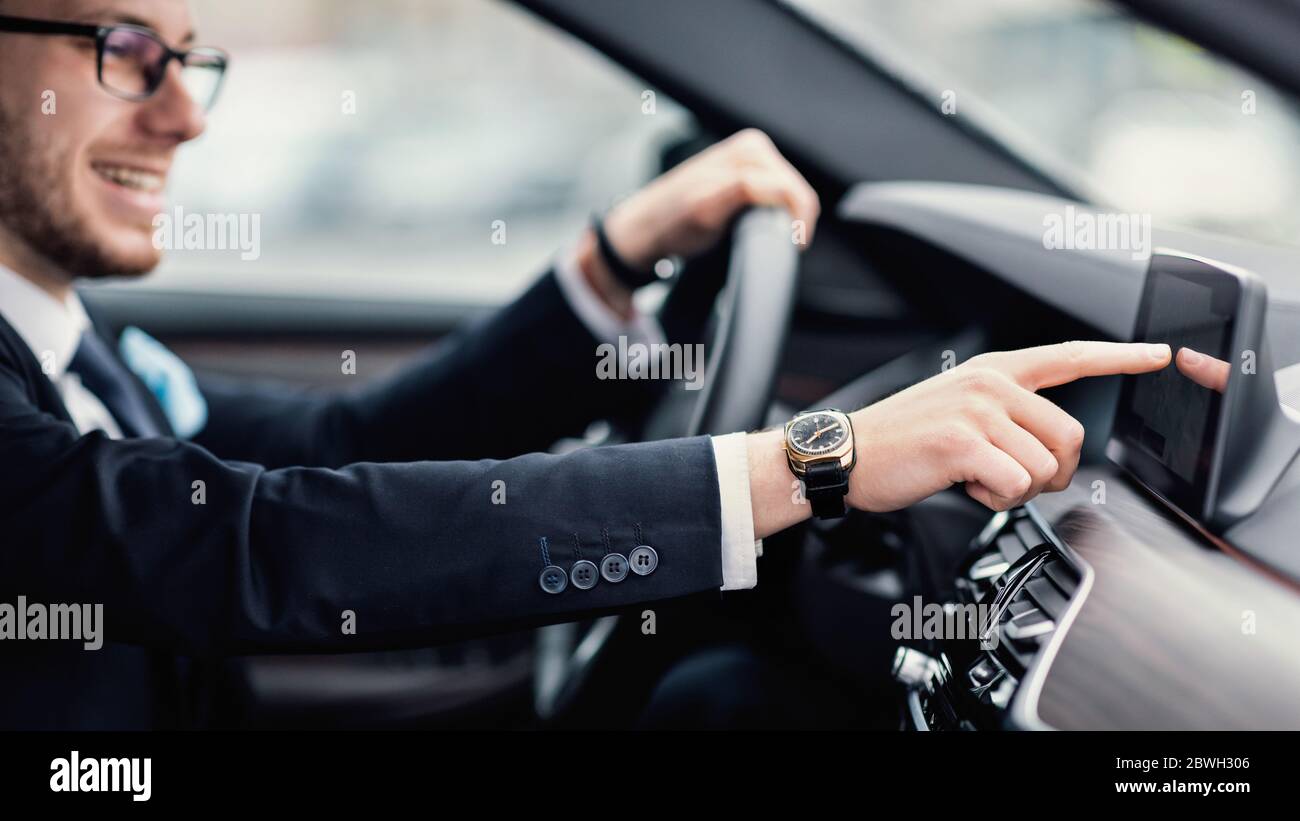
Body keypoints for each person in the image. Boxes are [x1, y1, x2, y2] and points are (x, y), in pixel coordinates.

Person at [0, 0, 1171, 729]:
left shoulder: (67, 334)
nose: (184, 116)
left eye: (189, 62)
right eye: (123, 49)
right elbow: (260, 542)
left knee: (721, 705)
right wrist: (814, 462)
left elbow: (335, 451)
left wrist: (616, 260)